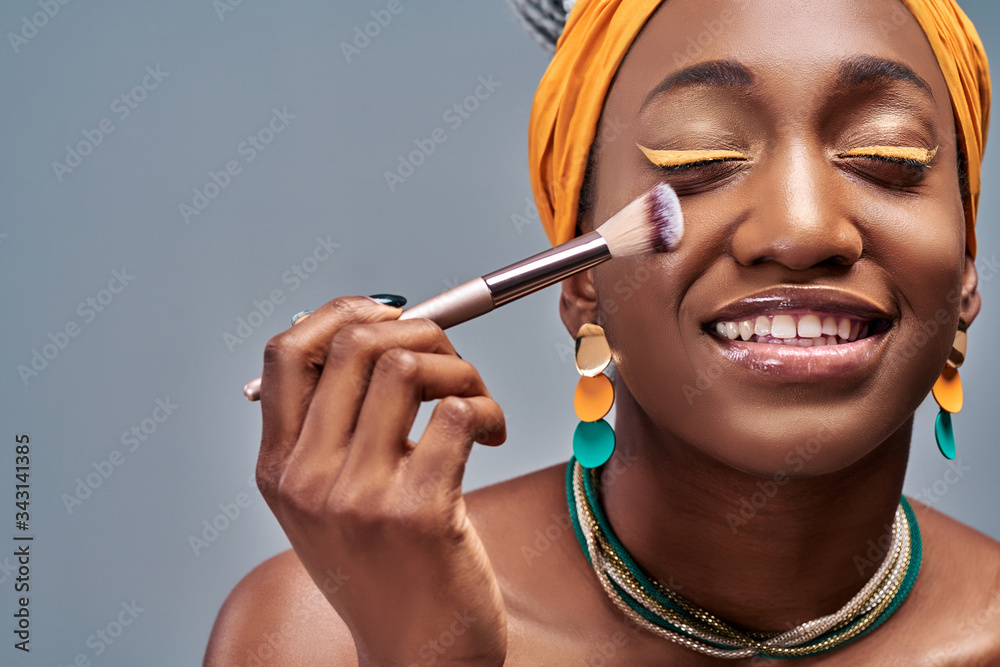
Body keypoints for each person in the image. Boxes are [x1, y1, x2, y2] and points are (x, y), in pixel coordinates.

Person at [204, 0, 1000, 664]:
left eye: (885, 153)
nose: (800, 229)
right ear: (582, 279)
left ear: (966, 271)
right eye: (700, 153)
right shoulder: (316, 632)